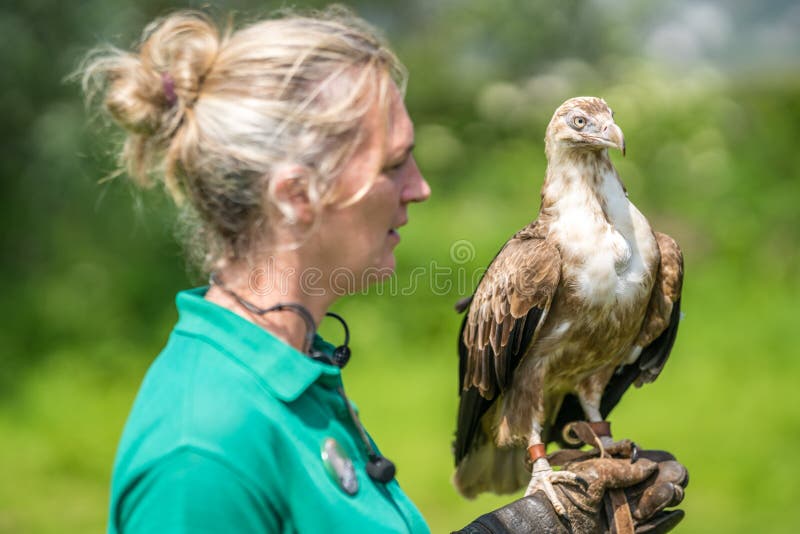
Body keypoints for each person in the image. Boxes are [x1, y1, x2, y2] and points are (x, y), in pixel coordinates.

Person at [81, 6, 687, 533]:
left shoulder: (297, 376)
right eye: (393, 164)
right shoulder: (202, 453)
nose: (420, 187)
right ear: (296, 196)